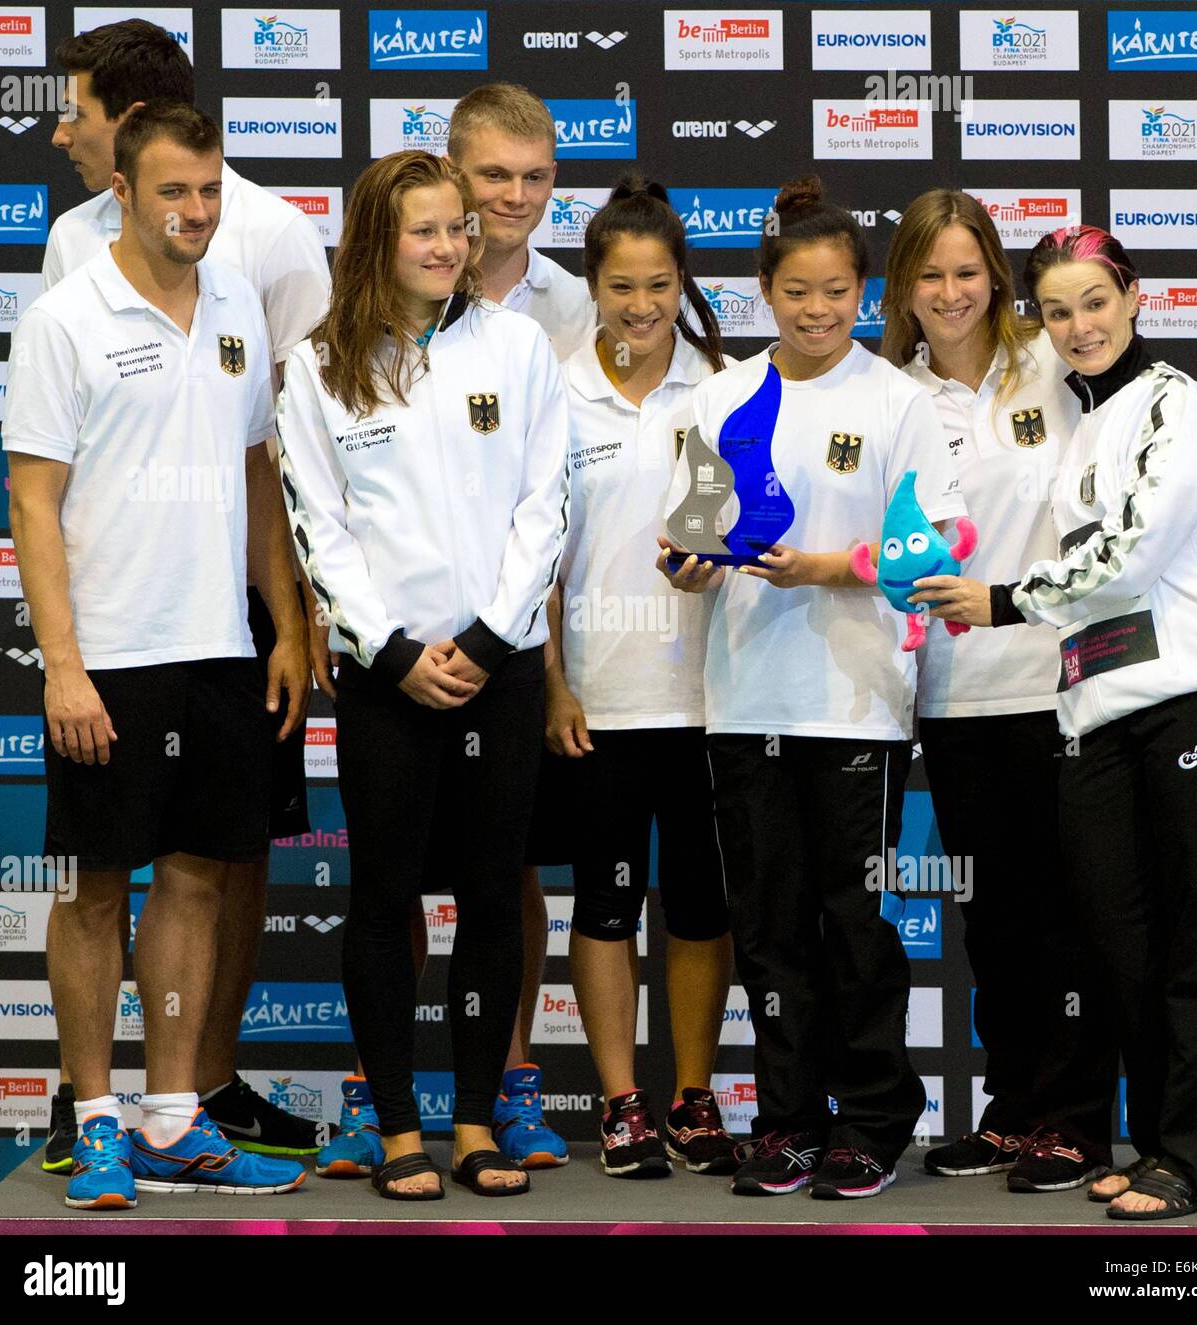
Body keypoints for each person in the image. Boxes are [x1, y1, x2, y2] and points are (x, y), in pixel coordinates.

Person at [914, 224, 1197, 1220]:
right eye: (1058, 310)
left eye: (1095, 303)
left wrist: (1001, 599)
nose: (1078, 325)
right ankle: (1157, 1137)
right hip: (1101, 710)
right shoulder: (1079, 427)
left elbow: (1126, 558)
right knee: (1123, 942)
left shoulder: (1178, 408)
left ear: (1133, 298)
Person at [4, 102, 309, 1209]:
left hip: (222, 645)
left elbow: (261, 478)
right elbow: (32, 504)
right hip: (112, 654)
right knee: (95, 889)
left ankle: (174, 1113)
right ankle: (94, 1122)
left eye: (210, 191)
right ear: (122, 193)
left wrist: (283, 621)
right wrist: (64, 663)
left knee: (191, 880)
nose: (195, 212)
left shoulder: (235, 302)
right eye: (174, 190)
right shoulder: (64, 317)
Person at [660, 176, 965, 1199]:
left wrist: (828, 566)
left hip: (856, 704)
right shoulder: (721, 396)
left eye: (836, 291)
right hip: (746, 701)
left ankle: (873, 1118)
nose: (818, 310)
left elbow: (935, 544)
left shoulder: (897, 401)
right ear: (764, 289)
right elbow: (690, 529)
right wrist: (688, 562)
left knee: (855, 925)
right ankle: (788, 1120)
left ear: (862, 291)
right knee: (771, 928)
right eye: (797, 290)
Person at [275, 150, 570, 1199]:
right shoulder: (317, 366)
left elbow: (546, 507)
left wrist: (490, 641)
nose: (452, 245)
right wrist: (392, 651)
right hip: (384, 679)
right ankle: (399, 1124)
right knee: (384, 894)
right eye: (426, 230)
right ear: (374, 243)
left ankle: (479, 1120)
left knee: (494, 895)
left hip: (503, 667)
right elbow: (319, 527)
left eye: (460, 227)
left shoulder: (522, 346)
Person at [880, 190, 1114, 1192]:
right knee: (995, 919)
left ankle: (1073, 1120)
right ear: (903, 286)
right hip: (949, 695)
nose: (948, 293)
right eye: (928, 275)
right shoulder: (889, 394)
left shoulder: (1058, 369)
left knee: (1067, 911)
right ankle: (1013, 1108)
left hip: (1059, 689)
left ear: (997, 277)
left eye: (966, 272)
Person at [543, 176, 735, 1178]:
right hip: (599, 697)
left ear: (680, 281)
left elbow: (755, 531)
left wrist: (723, 556)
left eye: (658, 284)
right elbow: (534, 557)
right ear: (593, 284)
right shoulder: (554, 391)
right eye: (621, 286)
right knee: (606, 908)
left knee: (703, 910)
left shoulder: (725, 386)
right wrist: (553, 686)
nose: (641, 306)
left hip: (712, 695)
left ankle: (692, 1098)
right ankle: (623, 1102)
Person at [444, 81, 597, 1167]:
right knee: (401, 872)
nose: (514, 196)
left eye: (535, 177)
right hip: (398, 641)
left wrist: (544, 664)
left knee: (518, 874)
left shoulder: (575, 308)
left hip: (527, 635)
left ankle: (509, 1079)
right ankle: (385, 1090)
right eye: (492, 174)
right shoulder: (369, 290)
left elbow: (567, 498)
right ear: (451, 170)